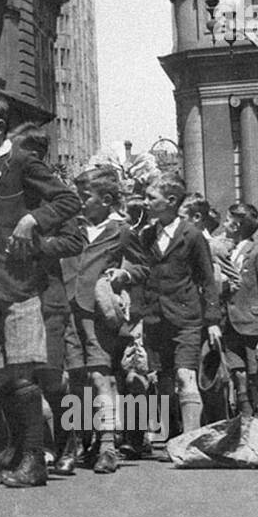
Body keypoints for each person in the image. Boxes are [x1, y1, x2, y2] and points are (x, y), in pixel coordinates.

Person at [0, 93, 82, 488]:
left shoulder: (22, 162)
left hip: (20, 283)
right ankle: (18, 451)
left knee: (21, 372)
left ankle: (35, 460)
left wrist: (34, 218)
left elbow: (68, 200)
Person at [111, 173, 221, 437]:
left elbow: (207, 279)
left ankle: (191, 440)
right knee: (164, 380)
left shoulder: (192, 235)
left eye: (151, 197)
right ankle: (172, 435)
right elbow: (141, 275)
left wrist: (213, 321)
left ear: (170, 201)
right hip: (154, 319)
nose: (146, 202)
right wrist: (136, 315)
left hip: (186, 319)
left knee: (186, 376)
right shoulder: (146, 235)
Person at [62, 166, 134, 474]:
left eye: (85, 196)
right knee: (75, 379)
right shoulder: (70, 227)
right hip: (67, 308)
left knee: (100, 377)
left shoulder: (123, 230)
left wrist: (124, 274)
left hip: (98, 312)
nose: (80, 202)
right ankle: (83, 439)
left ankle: (107, 446)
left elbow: (143, 269)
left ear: (106, 200)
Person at [217, 204, 258, 421]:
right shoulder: (223, 251)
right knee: (237, 371)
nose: (224, 225)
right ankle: (246, 413)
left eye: (228, 220)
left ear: (238, 225)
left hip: (252, 322)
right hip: (228, 323)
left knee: (257, 373)